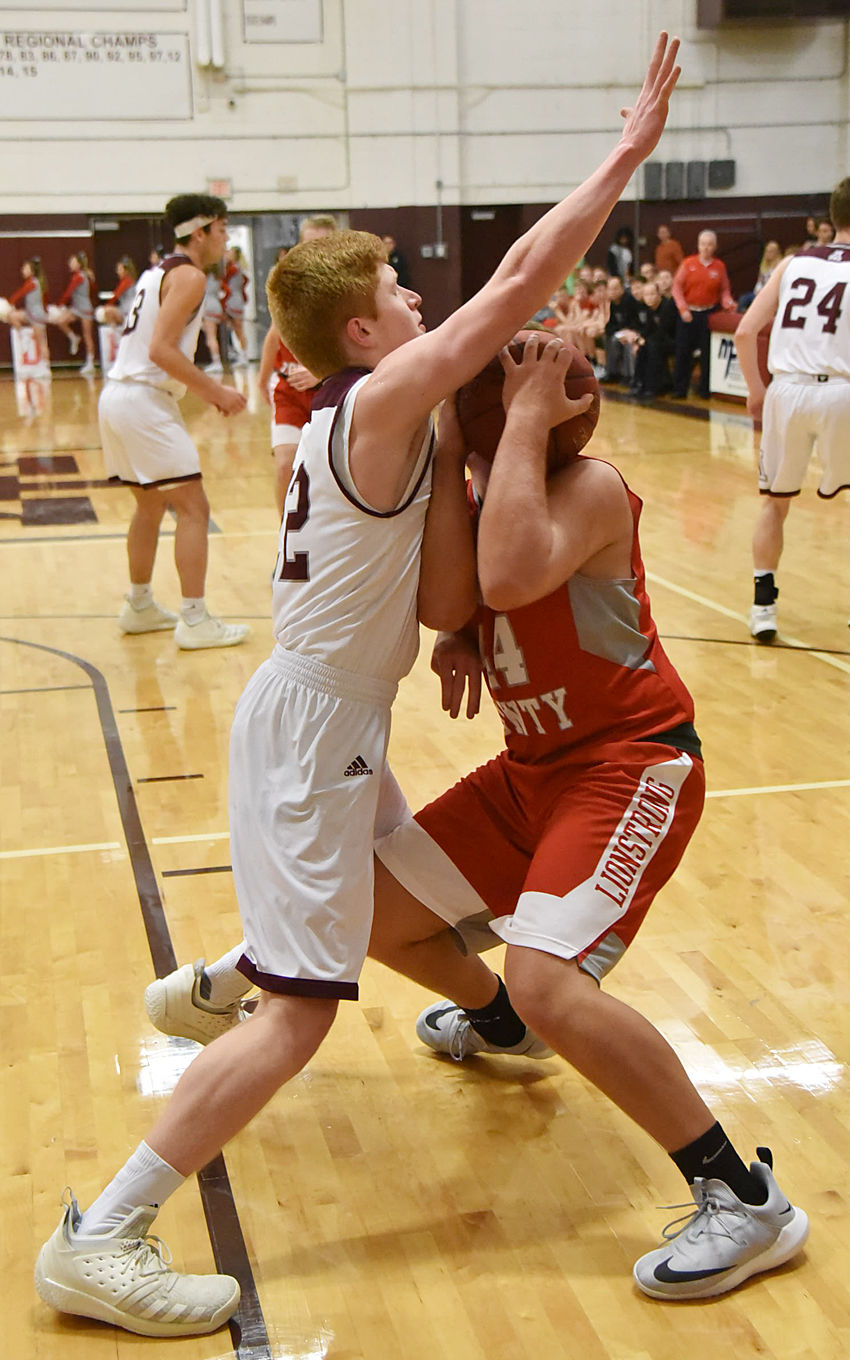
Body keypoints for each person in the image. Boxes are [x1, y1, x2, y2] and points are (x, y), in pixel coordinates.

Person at [34, 35, 683, 1337]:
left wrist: (451, 620)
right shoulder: (386, 395)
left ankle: (274, 973)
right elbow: (515, 277)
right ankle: (104, 1236)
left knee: (393, 891)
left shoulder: (371, 417)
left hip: (330, 712)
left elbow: (449, 596)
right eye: (396, 284)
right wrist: (622, 153)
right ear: (364, 324)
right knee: (297, 1024)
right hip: (315, 725)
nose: (416, 293)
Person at [147, 333, 809, 1306]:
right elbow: (461, 596)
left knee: (548, 976)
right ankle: (499, 1024)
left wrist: (517, 410)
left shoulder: (590, 484)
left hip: (629, 764)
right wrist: (460, 631)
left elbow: (508, 576)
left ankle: (742, 1197)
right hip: (531, 771)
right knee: (359, 919)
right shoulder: (473, 494)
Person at [94, 193, 251, 649]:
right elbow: (161, 351)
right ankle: (195, 619)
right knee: (193, 508)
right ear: (200, 231)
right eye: (221, 230)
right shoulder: (190, 276)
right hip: (143, 398)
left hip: (118, 395)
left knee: (149, 505)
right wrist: (216, 392)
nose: (224, 239)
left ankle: (139, 605)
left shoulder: (155, 271)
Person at [734, 177, 850, 643]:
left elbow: (744, 332)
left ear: (832, 217)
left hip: (787, 390)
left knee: (773, 502)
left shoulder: (792, 263)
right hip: (841, 390)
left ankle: (764, 607)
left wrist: (756, 390)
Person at [257, 215, 338, 513]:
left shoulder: (348, 288)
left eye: (323, 243)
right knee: (285, 465)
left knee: (330, 473)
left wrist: (321, 369)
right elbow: (274, 332)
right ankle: (285, 536)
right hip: (290, 390)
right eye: (309, 243)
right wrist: (262, 377)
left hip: (332, 390)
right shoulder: (289, 281)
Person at [670, 229, 735, 399]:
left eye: (709, 244)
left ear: (715, 246)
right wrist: (683, 308)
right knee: (683, 352)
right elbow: (676, 287)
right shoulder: (688, 263)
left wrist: (727, 301)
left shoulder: (719, 266)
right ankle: (679, 389)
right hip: (689, 313)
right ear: (698, 245)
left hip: (708, 313)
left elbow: (724, 290)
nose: (706, 247)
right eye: (703, 244)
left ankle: (704, 390)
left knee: (707, 353)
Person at [631, 277, 677, 399]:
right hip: (658, 341)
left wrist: (645, 340)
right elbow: (648, 329)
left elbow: (663, 331)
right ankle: (639, 382)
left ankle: (653, 386)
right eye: (646, 294)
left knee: (652, 346)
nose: (649, 297)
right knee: (643, 348)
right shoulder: (650, 309)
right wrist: (639, 339)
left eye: (652, 294)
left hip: (674, 341)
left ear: (659, 294)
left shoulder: (667, 306)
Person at [54, 252, 97, 375]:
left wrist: (60, 304)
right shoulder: (78, 276)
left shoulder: (79, 276)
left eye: (72, 262)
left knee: (87, 335)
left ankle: (90, 363)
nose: (70, 264)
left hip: (85, 309)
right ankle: (73, 337)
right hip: (76, 309)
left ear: (78, 264)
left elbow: (68, 292)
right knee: (60, 321)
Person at [4, 258, 51, 363]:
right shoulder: (30, 282)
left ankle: (46, 368)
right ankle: (23, 337)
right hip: (30, 314)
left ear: (32, 271)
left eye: (25, 268)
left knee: (42, 343)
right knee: (11, 316)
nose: (22, 270)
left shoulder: (33, 283)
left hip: (37, 316)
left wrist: (9, 303)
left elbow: (19, 294)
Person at [601, 273, 641, 382]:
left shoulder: (629, 301)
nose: (612, 291)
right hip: (622, 332)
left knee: (621, 341)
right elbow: (611, 324)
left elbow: (635, 322)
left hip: (633, 331)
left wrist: (625, 332)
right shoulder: (613, 303)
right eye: (610, 289)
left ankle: (629, 376)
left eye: (615, 288)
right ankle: (611, 372)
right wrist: (615, 331)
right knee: (607, 337)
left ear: (622, 289)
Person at [222, 244, 249, 365]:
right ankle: (237, 352)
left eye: (230, 252)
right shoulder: (239, 267)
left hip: (233, 300)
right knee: (231, 326)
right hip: (236, 298)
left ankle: (243, 355)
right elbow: (246, 281)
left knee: (238, 329)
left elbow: (223, 279)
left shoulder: (233, 268)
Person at [738, 240, 782, 312]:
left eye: (771, 251)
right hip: (760, 293)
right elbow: (760, 282)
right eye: (767, 251)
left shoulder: (780, 266)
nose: (768, 254)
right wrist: (757, 292)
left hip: (771, 295)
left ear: (777, 253)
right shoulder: (763, 266)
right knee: (743, 298)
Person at [201, 263, 225, 373]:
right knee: (211, 335)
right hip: (217, 304)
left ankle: (216, 362)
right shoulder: (217, 277)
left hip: (208, 305)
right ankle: (216, 361)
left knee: (211, 337)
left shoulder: (204, 277)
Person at [100, 257, 138, 328]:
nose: (117, 272)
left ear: (126, 271)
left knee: (107, 311)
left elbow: (115, 296)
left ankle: (114, 333)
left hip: (128, 311)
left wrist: (105, 307)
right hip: (125, 309)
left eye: (119, 269)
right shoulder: (128, 280)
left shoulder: (127, 281)